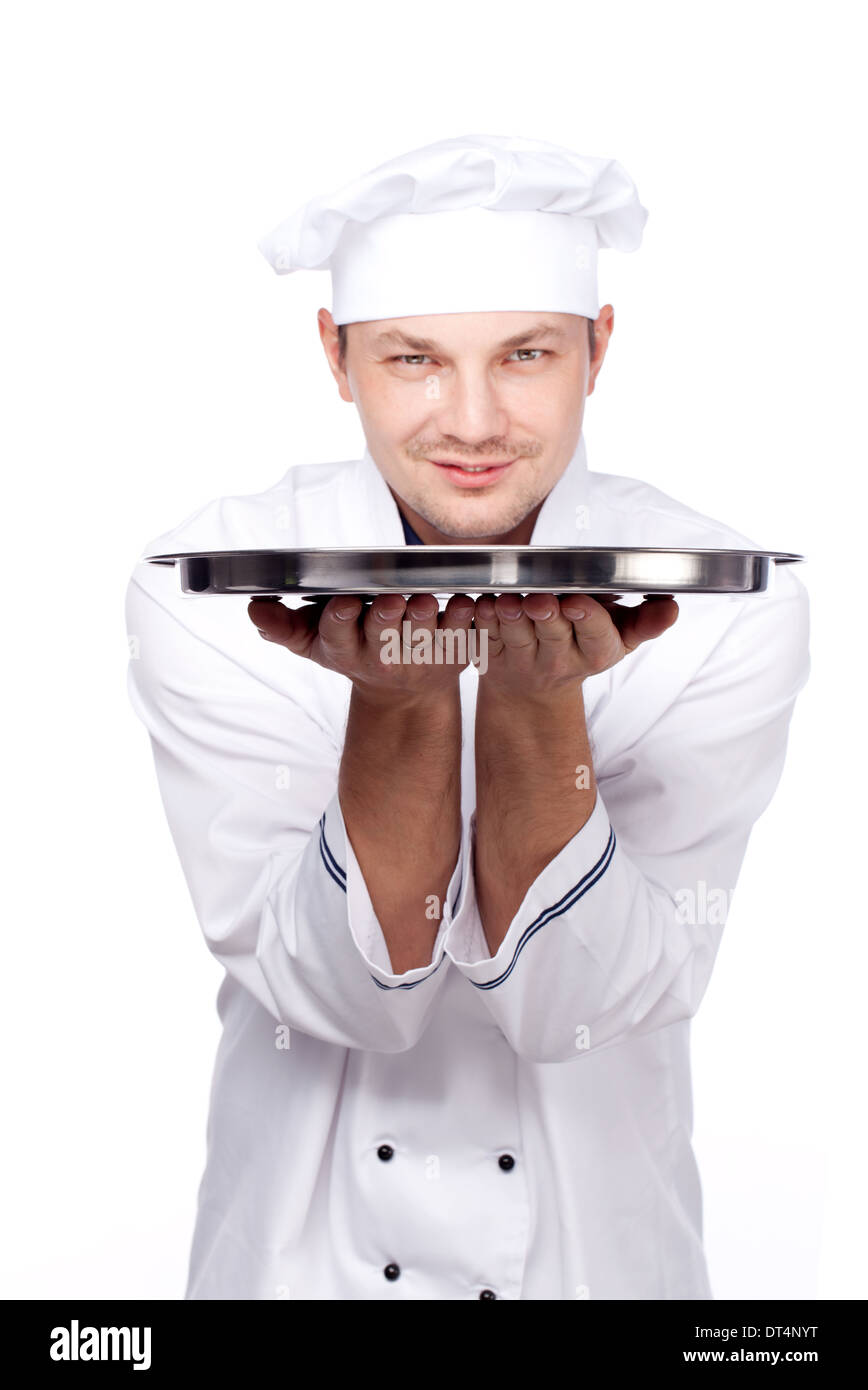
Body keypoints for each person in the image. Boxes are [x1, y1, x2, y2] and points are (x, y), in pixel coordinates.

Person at [124, 134, 810, 1300]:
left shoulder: (729, 611)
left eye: (526, 354)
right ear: (337, 358)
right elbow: (337, 998)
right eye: (415, 359)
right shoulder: (202, 598)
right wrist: (401, 709)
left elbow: (576, 1008)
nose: (475, 418)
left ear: (598, 348)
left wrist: (539, 709)